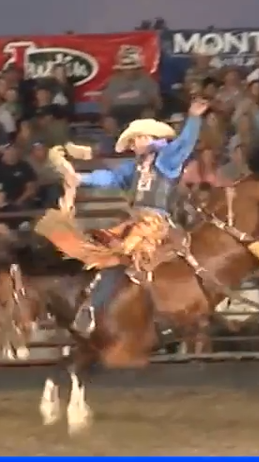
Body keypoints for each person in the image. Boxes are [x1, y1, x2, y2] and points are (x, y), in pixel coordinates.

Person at [66, 98, 209, 334]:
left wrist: (194, 119)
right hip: (137, 222)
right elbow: (111, 178)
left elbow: (184, 144)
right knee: (110, 253)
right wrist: (82, 178)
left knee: (120, 254)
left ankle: (101, 307)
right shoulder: (136, 166)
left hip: (154, 223)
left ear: (147, 138)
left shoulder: (166, 160)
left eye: (134, 140)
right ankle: (100, 304)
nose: (132, 145)